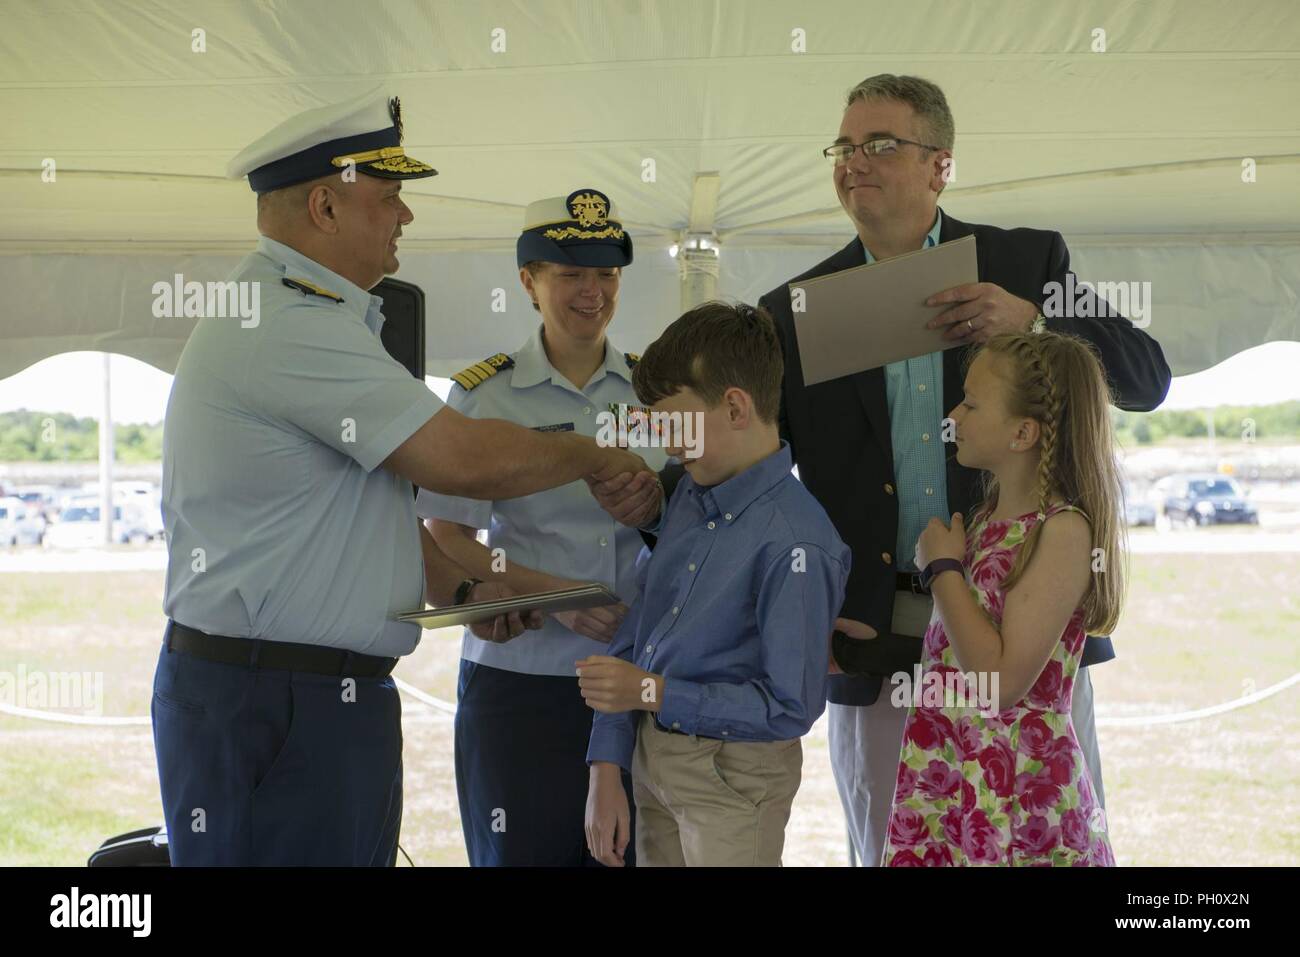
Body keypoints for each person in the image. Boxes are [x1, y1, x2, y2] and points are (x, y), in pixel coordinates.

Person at [591, 73, 1171, 867]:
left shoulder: (1024, 260)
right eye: (844, 146)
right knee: (894, 848)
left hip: (1019, 637)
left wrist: (1036, 320)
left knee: (1042, 844)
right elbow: (743, 464)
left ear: (941, 164)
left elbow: (1146, 376)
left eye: (880, 144)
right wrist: (654, 502)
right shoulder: (792, 309)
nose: (854, 161)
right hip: (874, 646)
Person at [154, 89, 650, 866]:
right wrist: (594, 453)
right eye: (388, 198)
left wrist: (462, 592)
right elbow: (462, 460)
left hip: (311, 694)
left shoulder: (318, 316)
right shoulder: (288, 322)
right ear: (324, 207)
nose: (406, 217)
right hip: (276, 697)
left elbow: (368, 509)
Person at [417, 188, 665, 866]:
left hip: (636, 678)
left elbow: (692, 529)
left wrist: (657, 506)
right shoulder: (482, 394)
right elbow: (448, 538)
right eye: (571, 274)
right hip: (518, 683)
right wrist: (560, 595)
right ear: (528, 281)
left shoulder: (657, 390)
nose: (593, 291)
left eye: (606, 274)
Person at [581, 301, 851, 867]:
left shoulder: (796, 543)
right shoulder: (687, 494)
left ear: (734, 407)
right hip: (655, 755)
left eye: (674, 422)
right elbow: (640, 634)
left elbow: (790, 707)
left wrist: (651, 693)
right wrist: (606, 763)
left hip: (736, 773)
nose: (665, 442)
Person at [875, 330, 1121, 866]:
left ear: (1023, 432)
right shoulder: (987, 524)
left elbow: (1002, 684)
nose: (953, 415)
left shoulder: (1062, 532)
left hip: (1015, 795)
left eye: (971, 402)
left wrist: (942, 571)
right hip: (952, 773)